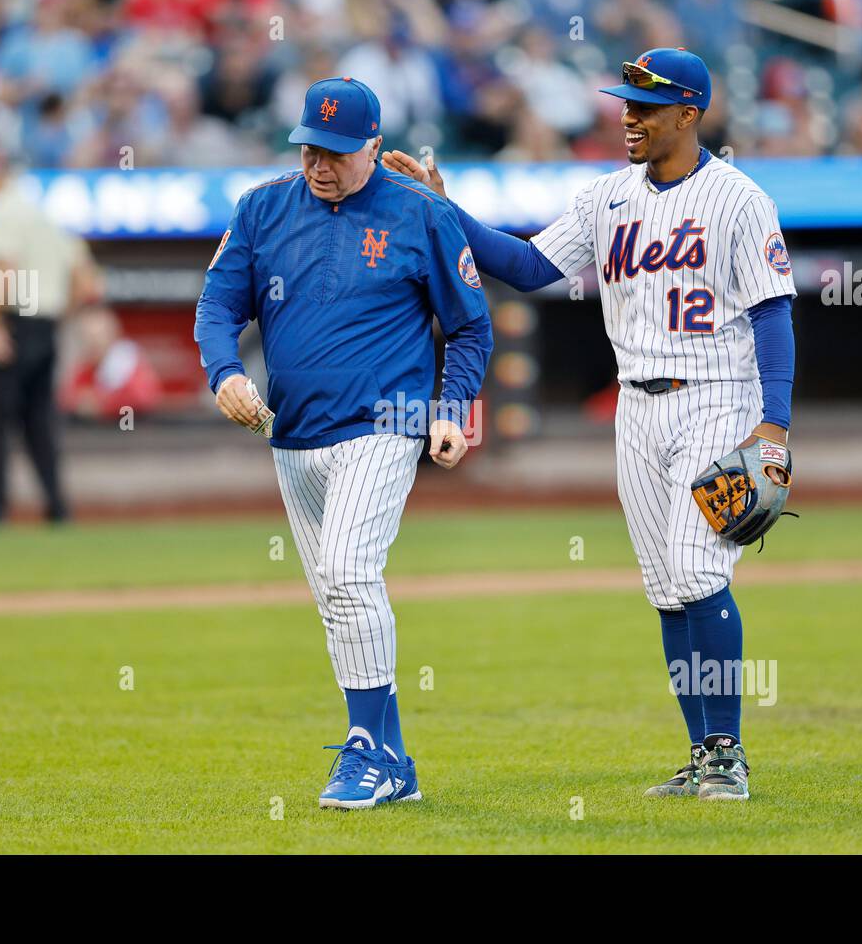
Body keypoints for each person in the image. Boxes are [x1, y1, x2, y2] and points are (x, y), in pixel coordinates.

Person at [383, 48, 797, 801]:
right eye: (625, 103)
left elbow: (772, 313)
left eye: (645, 105)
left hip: (716, 394)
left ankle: (729, 757)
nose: (628, 117)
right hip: (635, 405)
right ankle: (701, 752)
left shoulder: (739, 200)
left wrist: (774, 425)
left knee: (698, 570)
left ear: (690, 113)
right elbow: (529, 265)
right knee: (666, 587)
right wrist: (443, 207)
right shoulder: (607, 196)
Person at [194, 77, 493, 810]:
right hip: (292, 433)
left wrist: (452, 408)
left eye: (334, 151)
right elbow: (216, 307)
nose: (318, 164)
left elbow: (471, 326)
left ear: (373, 147)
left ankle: (366, 750)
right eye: (308, 148)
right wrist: (223, 372)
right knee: (335, 596)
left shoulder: (421, 212)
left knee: (350, 572)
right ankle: (395, 760)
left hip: (387, 422)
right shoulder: (263, 208)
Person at [0, 148, 99, 522]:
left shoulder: (4, 211)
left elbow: (3, 269)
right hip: (44, 326)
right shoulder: (41, 212)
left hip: (13, 322)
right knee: (39, 421)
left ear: (0, 178)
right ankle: (57, 508)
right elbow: (85, 278)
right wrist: (59, 318)